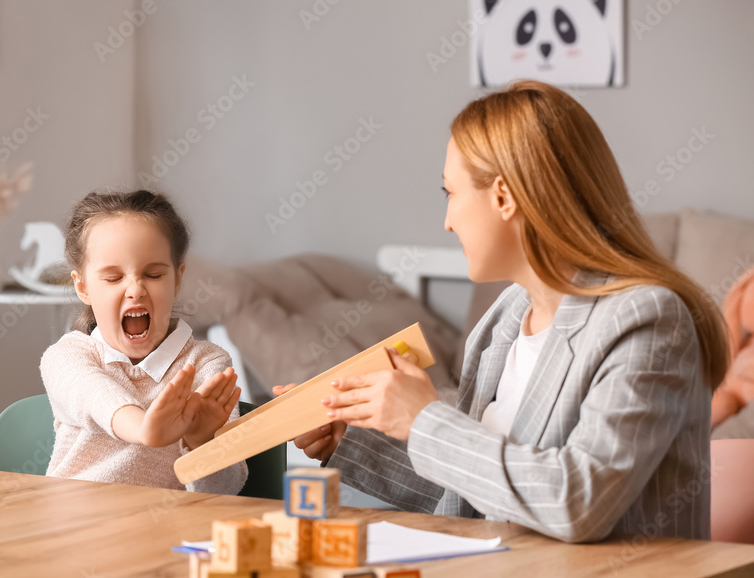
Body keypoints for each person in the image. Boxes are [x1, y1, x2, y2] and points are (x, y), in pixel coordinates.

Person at [277, 80, 729, 543]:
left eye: (450, 193)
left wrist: (424, 418)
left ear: (504, 196)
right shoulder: (505, 320)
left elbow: (579, 503)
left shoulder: (647, 321)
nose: (447, 221)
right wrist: (352, 440)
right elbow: (480, 492)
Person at [40, 189, 248, 494]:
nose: (135, 290)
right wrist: (145, 428)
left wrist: (201, 443)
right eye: (113, 278)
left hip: (162, 534)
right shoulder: (68, 356)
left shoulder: (208, 363)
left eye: (152, 274)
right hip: (72, 527)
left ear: (177, 280)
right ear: (83, 287)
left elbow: (226, 491)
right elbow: (95, 395)